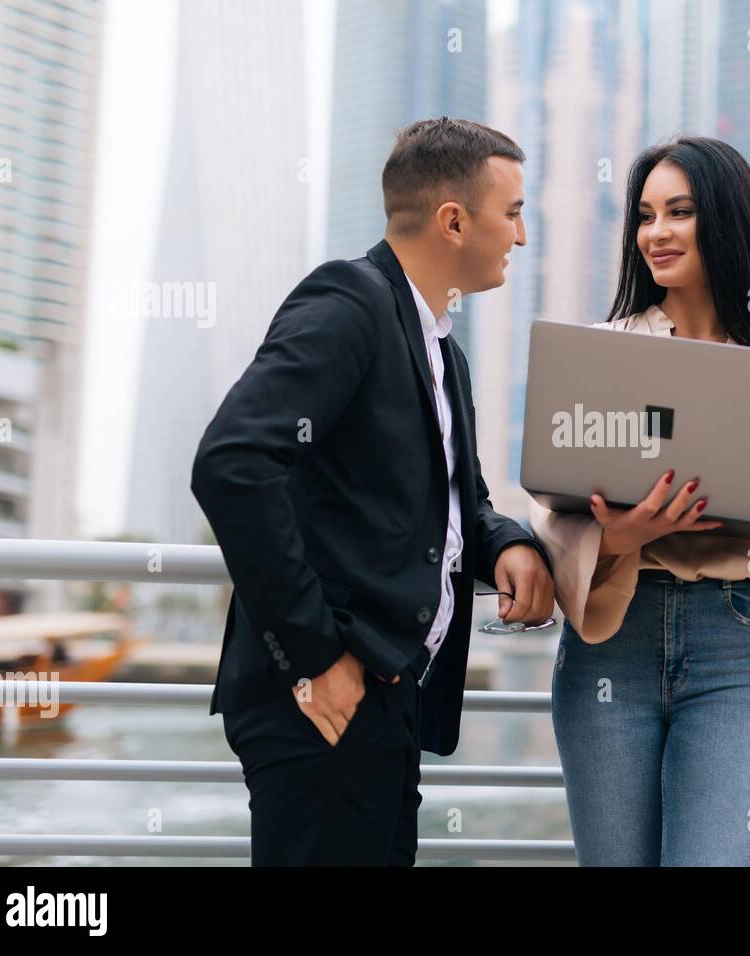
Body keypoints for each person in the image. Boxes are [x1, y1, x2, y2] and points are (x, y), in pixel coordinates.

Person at [191, 117, 555, 866]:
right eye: (513, 213)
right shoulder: (349, 304)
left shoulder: (443, 352)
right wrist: (315, 659)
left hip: (391, 700)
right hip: (324, 700)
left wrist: (510, 545)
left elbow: (462, 507)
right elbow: (232, 463)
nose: (521, 237)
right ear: (454, 221)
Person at [530, 137, 750, 866]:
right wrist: (619, 537)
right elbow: (554, 509)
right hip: (609, 649)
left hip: (734, 647)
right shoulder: (601, 352)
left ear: (725, 219)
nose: (656, 232)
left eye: (679, 212)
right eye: (646, 215)